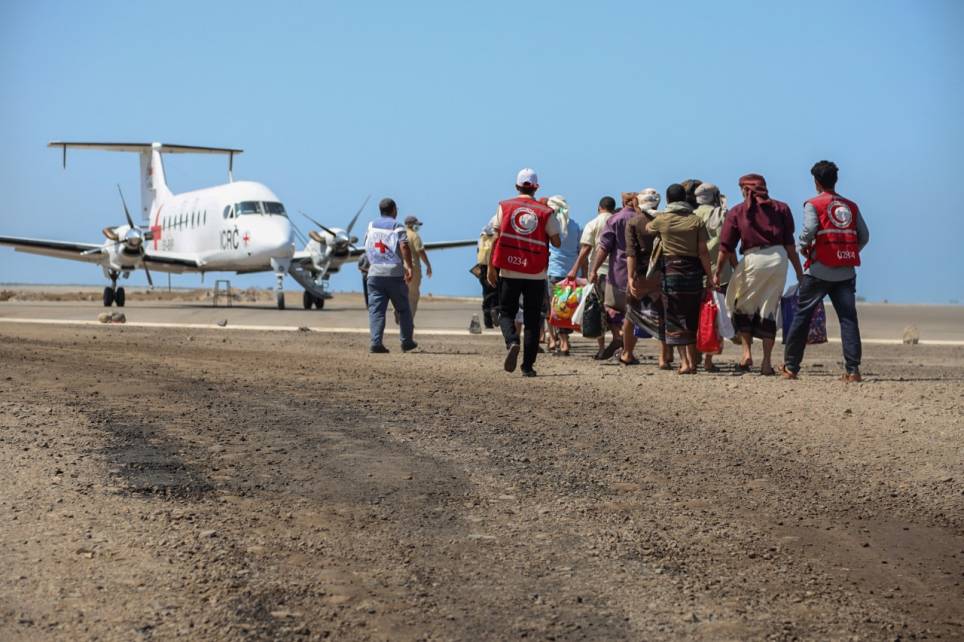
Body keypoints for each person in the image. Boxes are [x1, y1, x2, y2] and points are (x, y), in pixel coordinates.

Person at [782, 160, 870, 382]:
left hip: (819, 270)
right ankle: (853, 370)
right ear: (835, 180)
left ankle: (791, 367)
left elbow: (810, 229)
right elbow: (864, 235)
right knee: (848, 319)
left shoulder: (813, 204)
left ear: (816, 182)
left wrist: (803, 246)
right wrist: (848, 251)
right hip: (846, 271)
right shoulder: (851, 206)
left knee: (802, 317)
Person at [716, 174, 804, 375]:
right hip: (779, 260)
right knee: (768, 309)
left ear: (744, 189)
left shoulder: (738, 211)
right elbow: (790, 244)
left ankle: (746, 352)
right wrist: (799, 273)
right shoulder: (781, 208)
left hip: (754, 259)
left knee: (742, 305)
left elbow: (726, 246)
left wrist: (717, 272)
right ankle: (766, 363)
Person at [487, 168, 561, 377]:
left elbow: (495, 237)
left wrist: (491, 268)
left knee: (506, 312)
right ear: (536, 188)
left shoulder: (505, 207)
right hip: (535, 272)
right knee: (532, 318)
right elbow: (556, 241)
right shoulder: (544, 212)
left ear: (517, 186)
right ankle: (527, 367)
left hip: (509, 269)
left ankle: (512, 341)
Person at [647, 184, 716, 374]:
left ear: (668, 200)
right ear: (685, 199)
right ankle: (693, 363)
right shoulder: (696, 221)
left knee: (675, 318)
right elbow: (703, 251)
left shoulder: (662, 220)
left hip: (672, 273)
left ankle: (685, 363)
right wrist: (710, 277)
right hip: (693, 272)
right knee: (692, 317)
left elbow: (647, 228)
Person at [588, 192, 639, 363]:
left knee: (611, 309)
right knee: (633, 313)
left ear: (623, 201)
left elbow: (604, 247)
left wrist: (593, 269)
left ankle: (619, 338)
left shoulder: (616, 220)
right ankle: (627, 350)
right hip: (641, 274)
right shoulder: (643, 219)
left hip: (618, 273)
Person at [364, 198, 417, 354]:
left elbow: (367, 244)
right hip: (394, 273)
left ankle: (376, 342)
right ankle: (406, 341)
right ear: (394, 209)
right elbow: (404, 245)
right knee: (403, 308)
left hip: (374, 273)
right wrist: (408, 265)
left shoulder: (371, 225)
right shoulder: (397, 226)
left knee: (376, 311)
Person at [568, 196, 616, 358]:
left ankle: (602, 347)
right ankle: (622, 344)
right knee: (617, 309)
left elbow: (586, 249)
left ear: (599, 207)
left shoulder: (593, 224)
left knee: (598, 309)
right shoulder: (619, 222)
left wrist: (575, 269)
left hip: (598, 272)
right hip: (617, 272)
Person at [623, 188, 666, 366]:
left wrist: (630, 277)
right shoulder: (664, 220)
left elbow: (631, 253)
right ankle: (664, 357)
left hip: (640, 273)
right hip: (661, 273)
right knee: (663, 315)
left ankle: (627, 353)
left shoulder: (633, 222)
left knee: (631, 314)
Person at [693, 182, 732, 371]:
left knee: (695, 315)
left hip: (694, 271)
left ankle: (694, 356)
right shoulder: (720, 214)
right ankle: (709, 359)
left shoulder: (691, 215)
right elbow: (726, 244)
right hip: (719, 270)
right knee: (716, 314)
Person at [546, 195, 581, 356]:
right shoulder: (575, 226)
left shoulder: (550, 226)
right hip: (572, 274)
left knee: (555, 308)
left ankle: (560, 342)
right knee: (567, 308)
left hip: (555, 272)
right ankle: (561, 340)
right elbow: (580, 250)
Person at [403, 215, 432, 319]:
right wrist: (428, 265)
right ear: (411, 224)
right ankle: (408, 320)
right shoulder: (414, 236)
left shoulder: (400, 234)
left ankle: (397, 312)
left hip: (400, 268)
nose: (418, 226)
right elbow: (420, 251)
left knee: (400, 293)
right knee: (413, 295)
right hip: (413, 268)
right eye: (417, 224)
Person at [474, 224, 498, 328]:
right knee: (497, 292)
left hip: (482, 268)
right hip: (494, 267)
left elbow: (478, 254)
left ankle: (488, 321)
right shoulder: (495, 240)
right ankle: (495, 310)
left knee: (486, 294)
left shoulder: (481, 240)